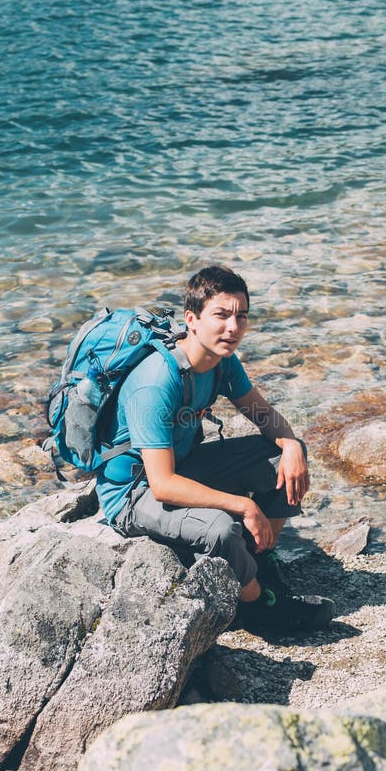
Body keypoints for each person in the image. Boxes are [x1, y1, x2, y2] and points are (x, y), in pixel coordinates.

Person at [96, 265, 333, 632]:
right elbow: (163, 485)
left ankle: (257, 560)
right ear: (192, 320)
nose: (233, 328)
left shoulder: (222, 364)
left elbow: (264, 415)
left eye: (241, 317)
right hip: (134, 494)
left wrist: (291, 446)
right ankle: (259, 609)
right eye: (221, 315)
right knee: (221, 528)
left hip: (184, 466)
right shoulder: (157, 383)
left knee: (282, 461)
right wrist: (244, 505)